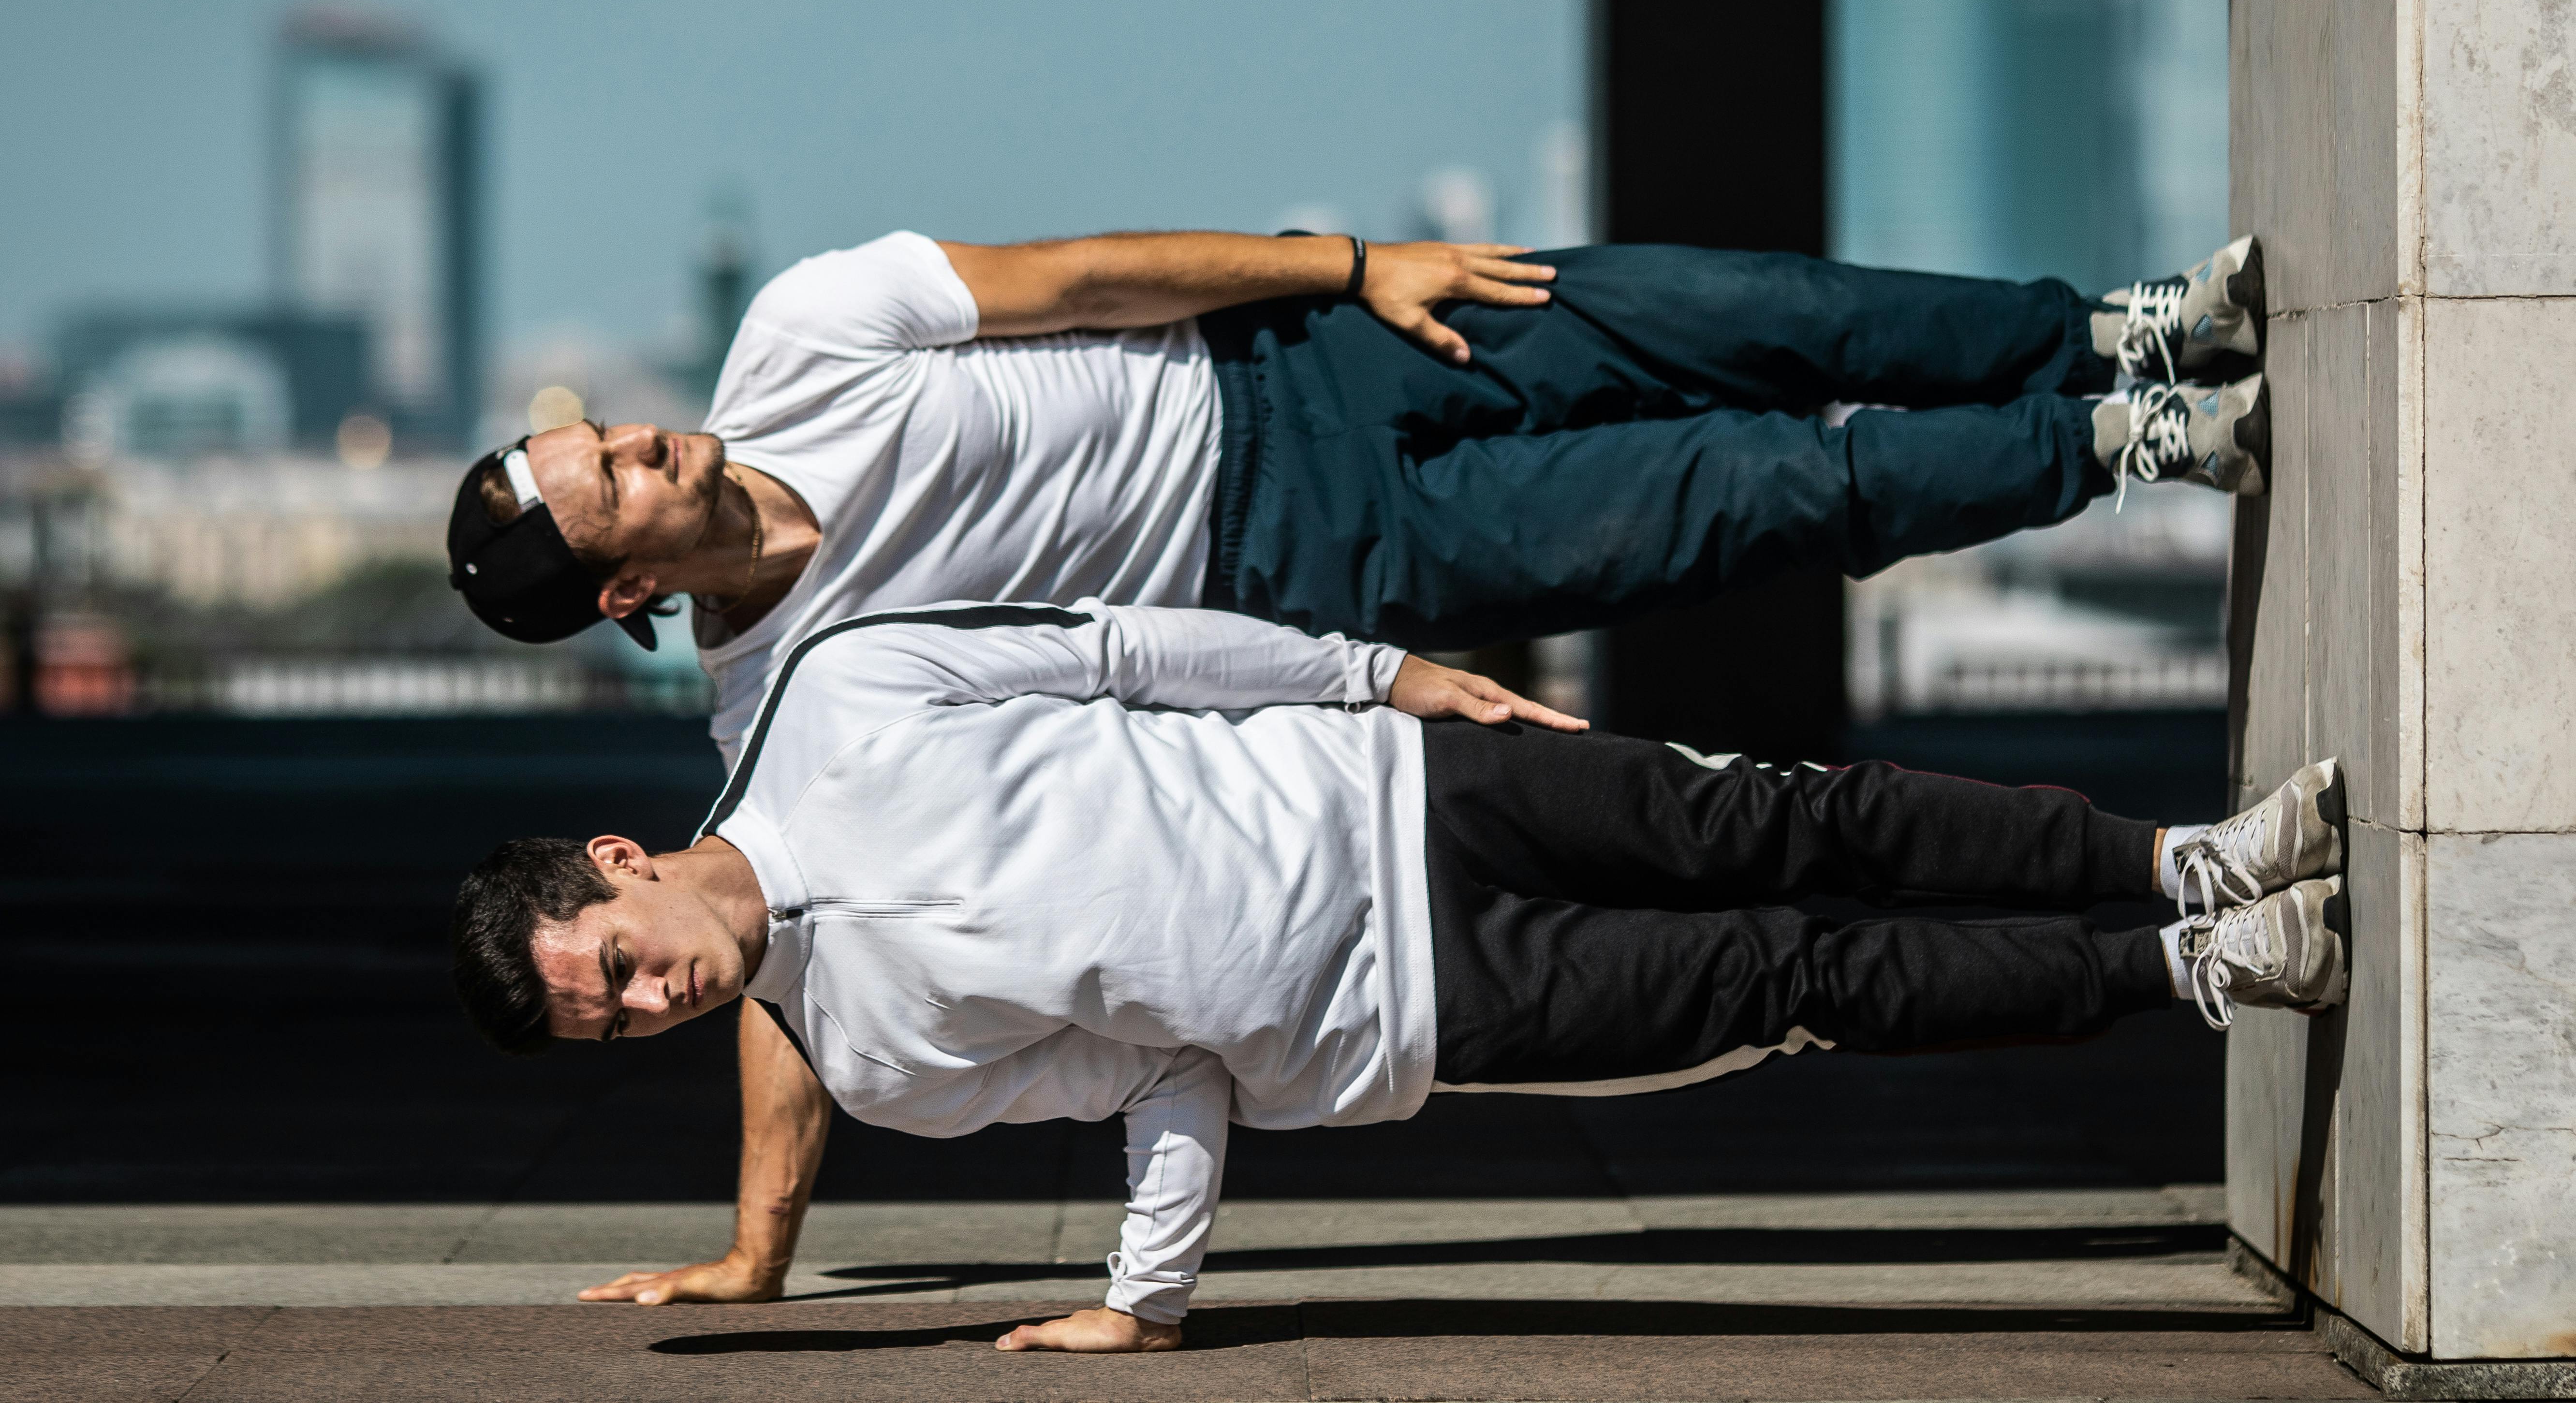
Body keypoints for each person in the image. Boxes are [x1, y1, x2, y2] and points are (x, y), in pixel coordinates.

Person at [442, 226, 2271, 1305]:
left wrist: (1353, 265)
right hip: (1331, 564)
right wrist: (760, 1249)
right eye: (611, 480)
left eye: (608, 436)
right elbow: (775, 957)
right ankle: (2130, 441)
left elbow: (1081, 276)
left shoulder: (802, 337)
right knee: (1760, 491)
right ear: (625, 591)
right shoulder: (778, 699)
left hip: (1304, 369)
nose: (641, 441)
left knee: (1739, 313)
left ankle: (2107, 330)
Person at [451, 598, 2348, 1352]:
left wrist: (1380, 675)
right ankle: (2208, 967)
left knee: (1795, 815)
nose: (651, 1002)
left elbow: (1129, 652)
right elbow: (1163, 1075)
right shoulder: (873, 1066)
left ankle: (2180, 857)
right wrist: (1143, 1298)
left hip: (1404, 785)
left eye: (615, 965)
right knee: (1808, 977)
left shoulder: (840, 694)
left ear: (619, 861)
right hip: (1422, 1007)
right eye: (613, 1022)